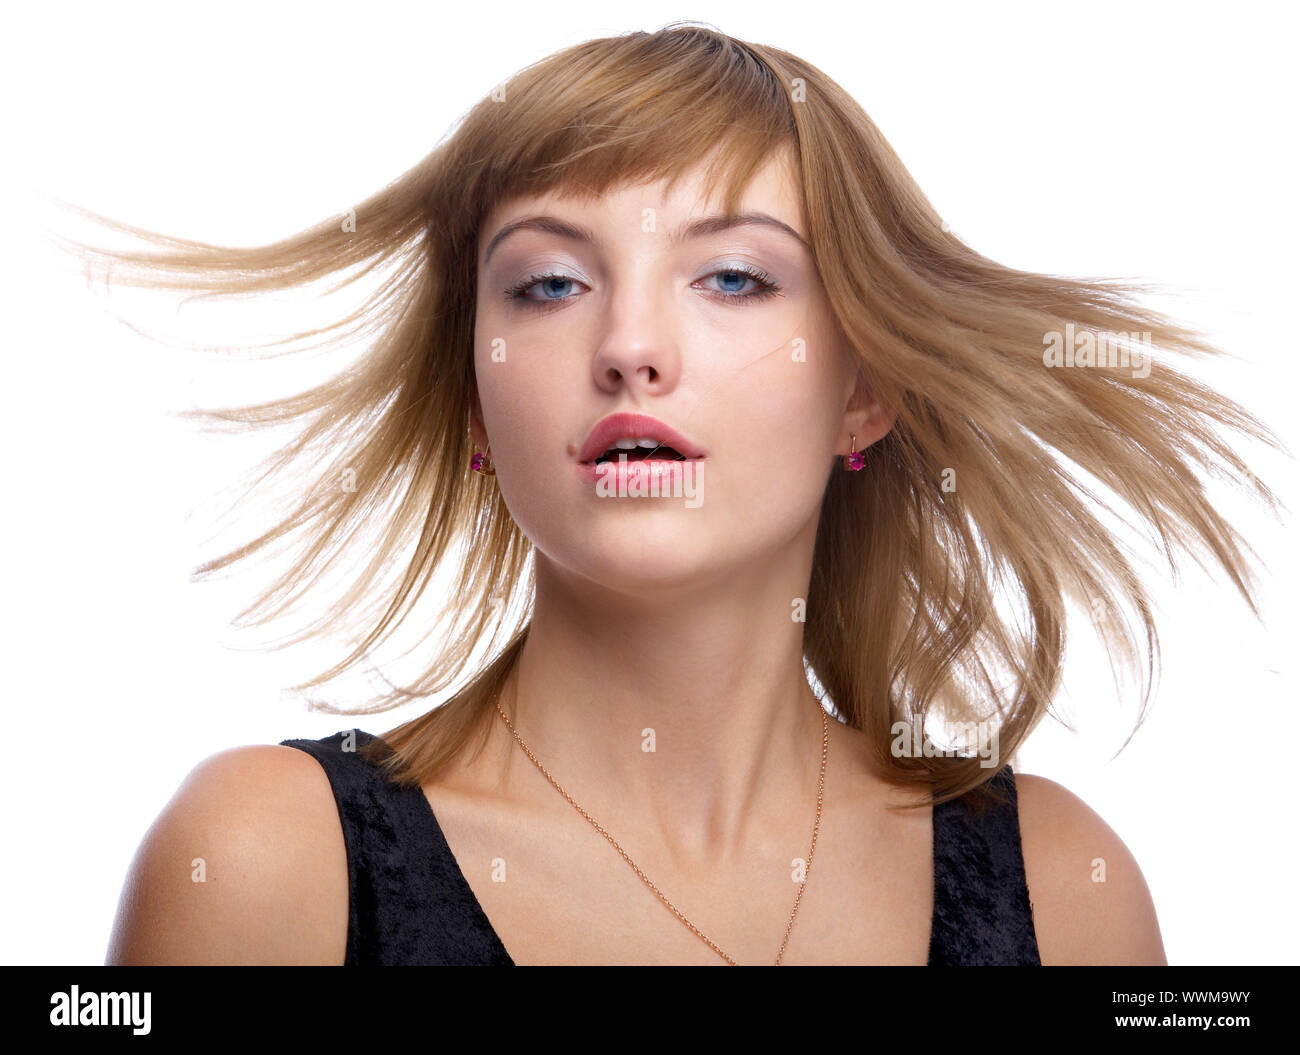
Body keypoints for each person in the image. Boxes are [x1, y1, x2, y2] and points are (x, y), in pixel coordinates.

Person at [86, 23, 1279, 965]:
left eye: (731, 275)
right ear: (475, 406)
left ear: (864, 391)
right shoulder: (270, 861)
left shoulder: (1068, 890)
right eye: (548, 283)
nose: (631, 346)